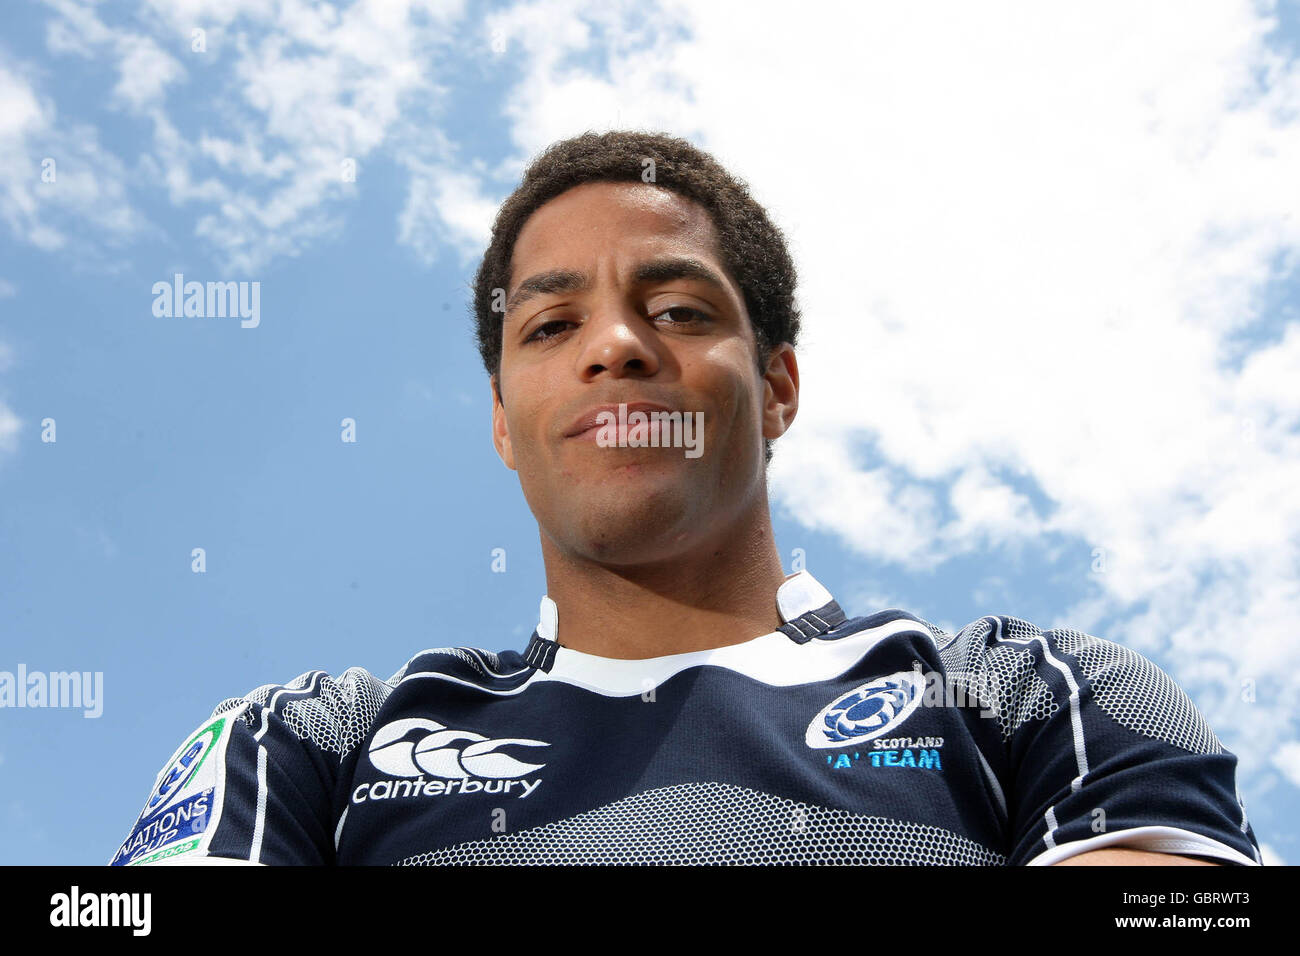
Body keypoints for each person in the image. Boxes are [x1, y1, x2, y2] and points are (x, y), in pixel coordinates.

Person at [110, 130, 1262, 866]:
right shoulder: (301, 743)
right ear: (505, 424)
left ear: (775, 387)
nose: (612, 346)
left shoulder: (1045, 695)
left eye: (676, 309)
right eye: (551, 325)